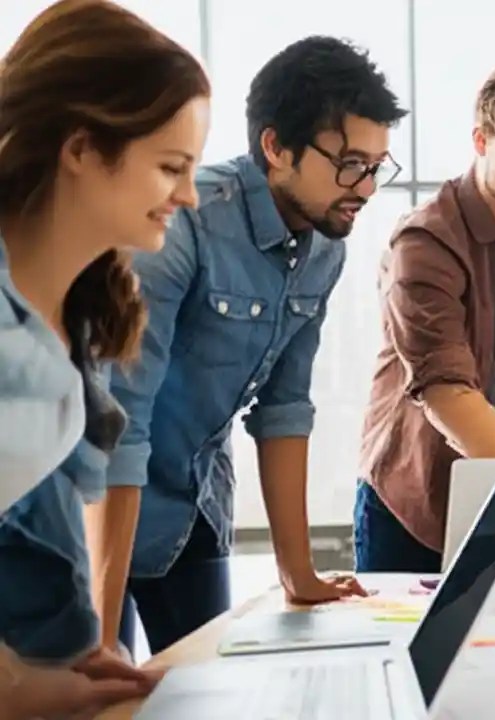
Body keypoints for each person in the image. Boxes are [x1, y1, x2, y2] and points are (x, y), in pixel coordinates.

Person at [96, 36, 407, 659]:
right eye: (349, 164)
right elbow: (118, 424)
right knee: (105, 693)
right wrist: (101, 634)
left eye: (376, 166)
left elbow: (284, 407)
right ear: (276, 147)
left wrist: (299, 575)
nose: (366, 188)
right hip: (100, 507)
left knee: (203, 693)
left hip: (195, 511)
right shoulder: (184, 224)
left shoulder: (326, 248)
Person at [0, 0, 210, 715]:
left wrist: (76, 655)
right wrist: (19, 688)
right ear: (83, 148)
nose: (187, 195)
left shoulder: (85, 312)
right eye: (170, 167)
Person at [356, 60, 495, 573]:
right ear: (481, 141)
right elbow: (447, 392)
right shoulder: (424, 242)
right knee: (409, 652)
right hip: (411, 497)